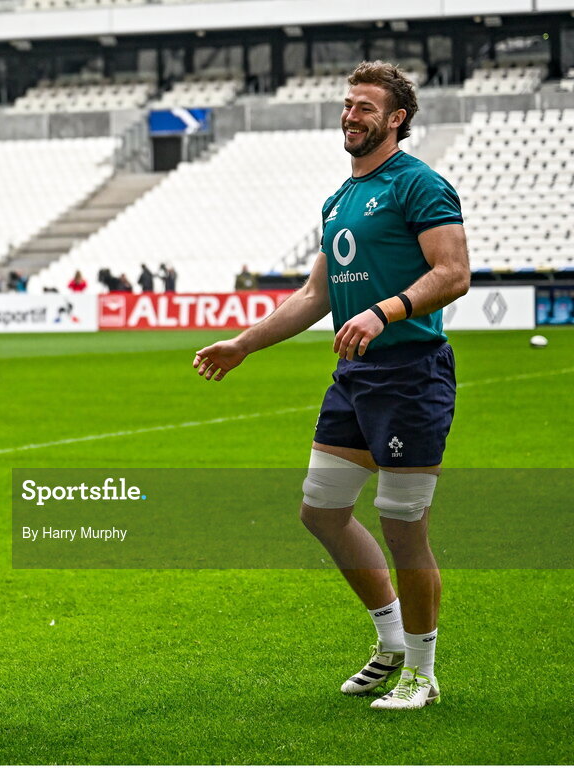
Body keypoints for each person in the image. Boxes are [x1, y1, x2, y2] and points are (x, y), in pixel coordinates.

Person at [193, 61, 469, 711]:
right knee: (321, 509)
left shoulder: (420, 184)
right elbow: (317, 294)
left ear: (396, 118)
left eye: (365, 107)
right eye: (348, 105)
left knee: (403, 524)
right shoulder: (339, 199)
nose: (351, 115)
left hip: (411, 374)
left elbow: (453, 272)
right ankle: (391, 641)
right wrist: (243, 344)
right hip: (356, 376)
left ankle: (422, 674)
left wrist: (384, 310)